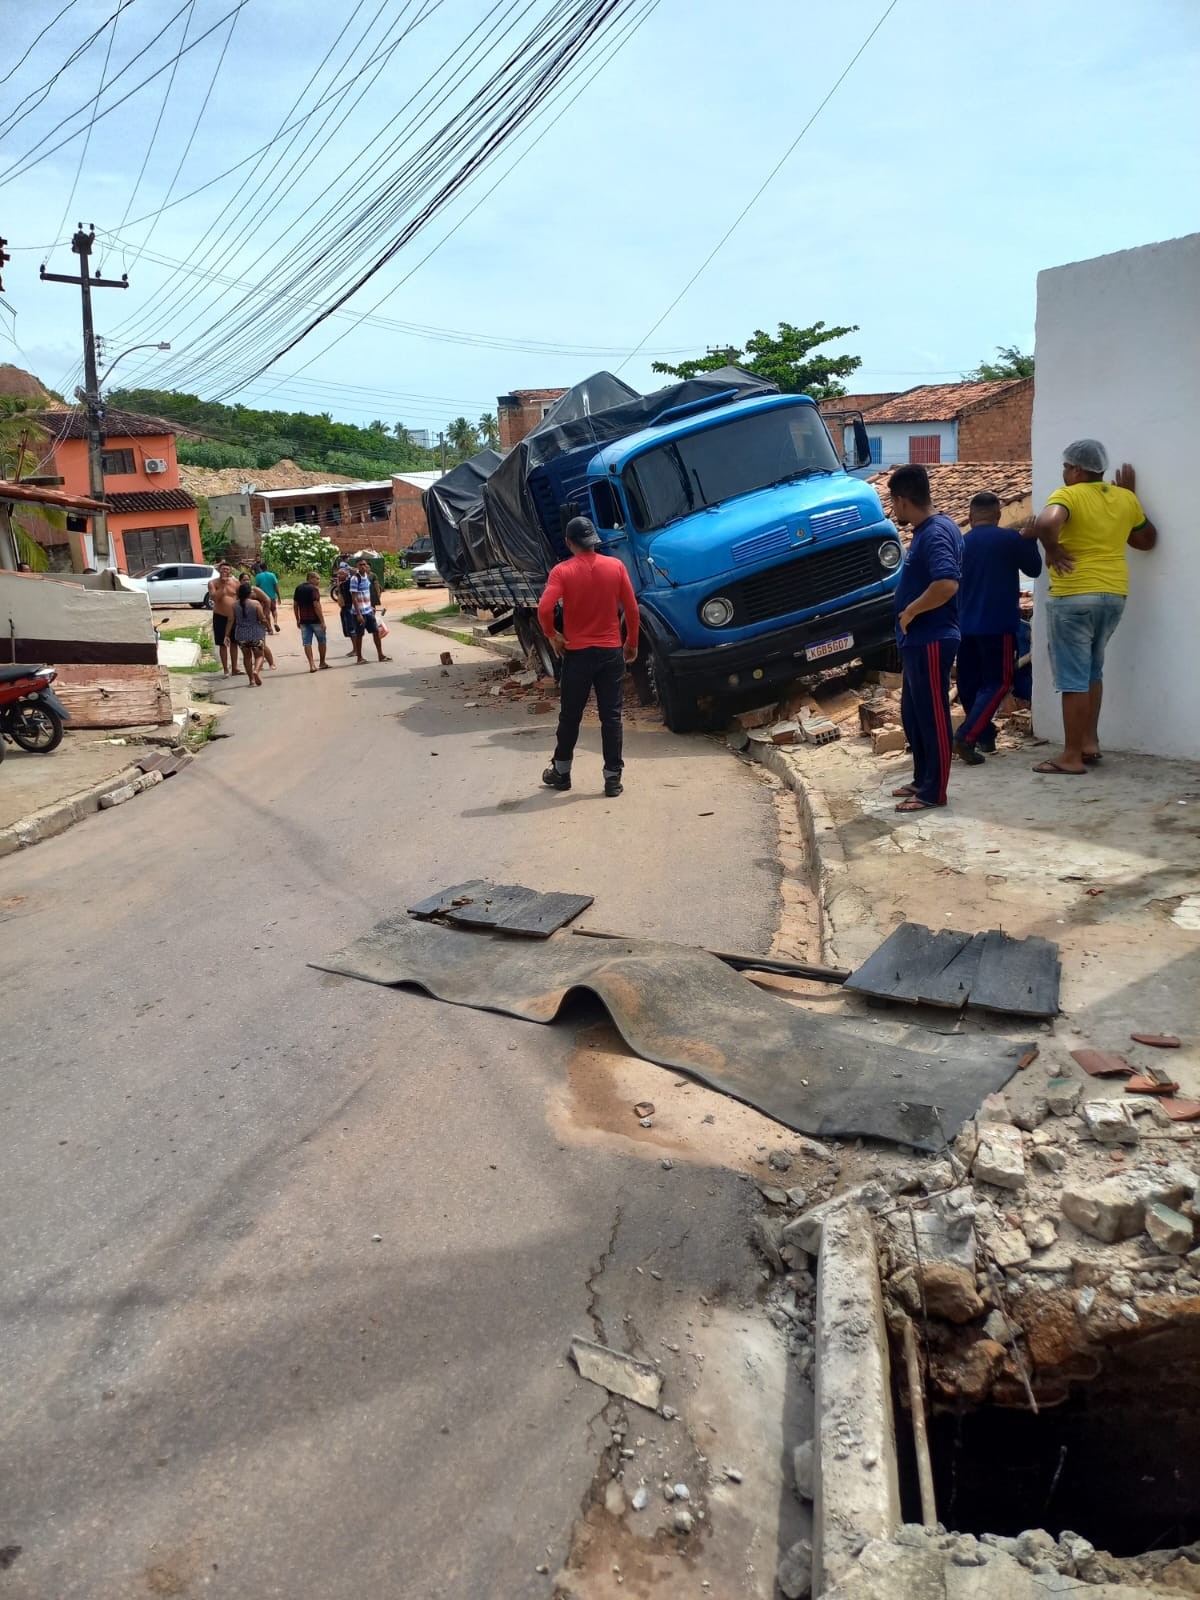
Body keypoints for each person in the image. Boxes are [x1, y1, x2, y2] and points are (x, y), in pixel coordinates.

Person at [1022, 440, 1157, 774]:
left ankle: (1070, 757)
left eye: (1066, 468)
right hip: (1113, 596)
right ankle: (1088, 742)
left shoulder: (1068, 495)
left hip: (1074, 596)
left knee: (1073, 679)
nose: (1064, 473)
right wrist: (1129, 505)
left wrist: (1051, 550)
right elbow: (1146, 540)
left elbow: (1046, 522)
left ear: (1077, 469)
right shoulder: (1125, 498)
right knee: (1093, 671)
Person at [537, 515, 639, 798]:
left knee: (570, 715)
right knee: (612, 717)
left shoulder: (562, 571)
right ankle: (612, 778)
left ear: (570, 543)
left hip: (578, 655)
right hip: (610, 653)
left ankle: (561, 772)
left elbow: (544, 608)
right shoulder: (616, 567)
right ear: (593, 540)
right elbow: (631, 609)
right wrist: (631, 642)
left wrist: (552, 635)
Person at [887, 465, 963, 814]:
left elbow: (947, 584)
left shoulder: (934, 533)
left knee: (932, 715)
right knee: (913, 714)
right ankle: (922, 778)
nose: (892, 510)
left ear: (903, 500)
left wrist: (910, 612)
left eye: (893, 502)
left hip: (932, 637)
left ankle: (935, 791)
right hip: (917, 641)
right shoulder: (926, 530)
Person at [954, 491, 1043, 765]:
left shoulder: (960, 544)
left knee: (969, 683)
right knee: (1000, 681)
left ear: (969, 517)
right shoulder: (1010, 540)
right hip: (998, 624)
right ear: (998, 515)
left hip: (964, 625)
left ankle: (985, 734)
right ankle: (967, 736)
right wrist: (1030, 541)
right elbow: (1035, 569)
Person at [348, 558, 390, 663]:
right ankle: (359, 658)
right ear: (357, 566)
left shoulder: (367, 577)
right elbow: (354, 597)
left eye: (364, 564)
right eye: (360, 564)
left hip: (368, 610)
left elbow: (367, 593)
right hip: (359, 612)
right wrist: (358, 614)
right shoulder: (355, 579)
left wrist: (370, 606)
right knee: (359, 635)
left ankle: (381, 655)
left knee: (376, 632)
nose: (363, 566)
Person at [208, 561, 242, 676]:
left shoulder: (236, 583)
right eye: (222, 569)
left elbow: (240, 599)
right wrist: (222, 585)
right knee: (222, 644)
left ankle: (235, 668)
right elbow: (215, 599)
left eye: (227, 569)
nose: (224, 571)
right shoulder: (213, 583)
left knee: (234, 642)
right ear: (219, 571)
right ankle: (226, 669)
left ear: (230, 571)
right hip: (220, 617)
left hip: (233, 617)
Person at [232, 581, 268, 686]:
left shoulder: (234, 605)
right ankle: (256, 671)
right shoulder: (256, 603)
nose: (253, 592)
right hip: (256, 634)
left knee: (247, 657)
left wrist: (226, 635)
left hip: (241, 635)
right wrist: (269, 627)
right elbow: (262, 619)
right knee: (259, 656)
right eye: (251, 591)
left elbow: (232, 619)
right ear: (248, 593)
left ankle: (251, 680)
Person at [238, 572, 277, 668]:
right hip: (245, 622)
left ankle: (271, 663)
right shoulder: (239, 591)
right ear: (240, 581)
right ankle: (258, 664)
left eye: (248, 579)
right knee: (250, 646)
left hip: (258, 620)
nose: (246, 581)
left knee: (262, 643)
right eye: (244, 580)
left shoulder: (254, 590)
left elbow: (267, 600)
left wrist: (265, 613)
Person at [293, 569, 328, 671]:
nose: (319, 581)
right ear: (311, 578)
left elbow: (295, 605)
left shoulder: (298, 588)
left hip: (304, 621)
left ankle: (312, 664)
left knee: (307, 643)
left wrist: (297, 619)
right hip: (315, 620)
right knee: (322, 641)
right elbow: (316, 605)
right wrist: (322, 621)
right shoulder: (314, 589)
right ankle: (322, 662)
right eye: (317, 578)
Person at [254, 562, 282, 631]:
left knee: (266, 613)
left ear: (260, 568)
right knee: (274, 610)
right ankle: (275, 622)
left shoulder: (258, 576)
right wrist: (279, 596)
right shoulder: (272, 575)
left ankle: (269, 628)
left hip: (263, 598)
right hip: (272, 597)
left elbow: (257, 588)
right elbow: (276, 587)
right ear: (267, 567)